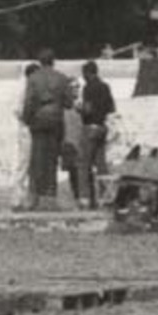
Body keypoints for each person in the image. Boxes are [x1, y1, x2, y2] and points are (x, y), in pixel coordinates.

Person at [20, 50, 76, 211]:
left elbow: (29, 102)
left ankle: (35, 197)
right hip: (56, 121)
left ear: (39, 61)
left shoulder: (33, 78)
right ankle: (50, 196)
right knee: (52, 159)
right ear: (53, 61)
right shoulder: (61, 78)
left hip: (38, 120)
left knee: (37, 159)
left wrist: (27, 119)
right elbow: (68, 103)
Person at [73, 60, 117, 210]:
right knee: (101, 165)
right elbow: (112, 108)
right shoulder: (105, 87)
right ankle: (105, 198)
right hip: (102, 128)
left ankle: (84, 199)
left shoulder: (88, 88)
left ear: (87, 73)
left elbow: (88, 110)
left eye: (84, 74)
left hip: (90, 127)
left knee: (83, 165)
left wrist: (78, 108)